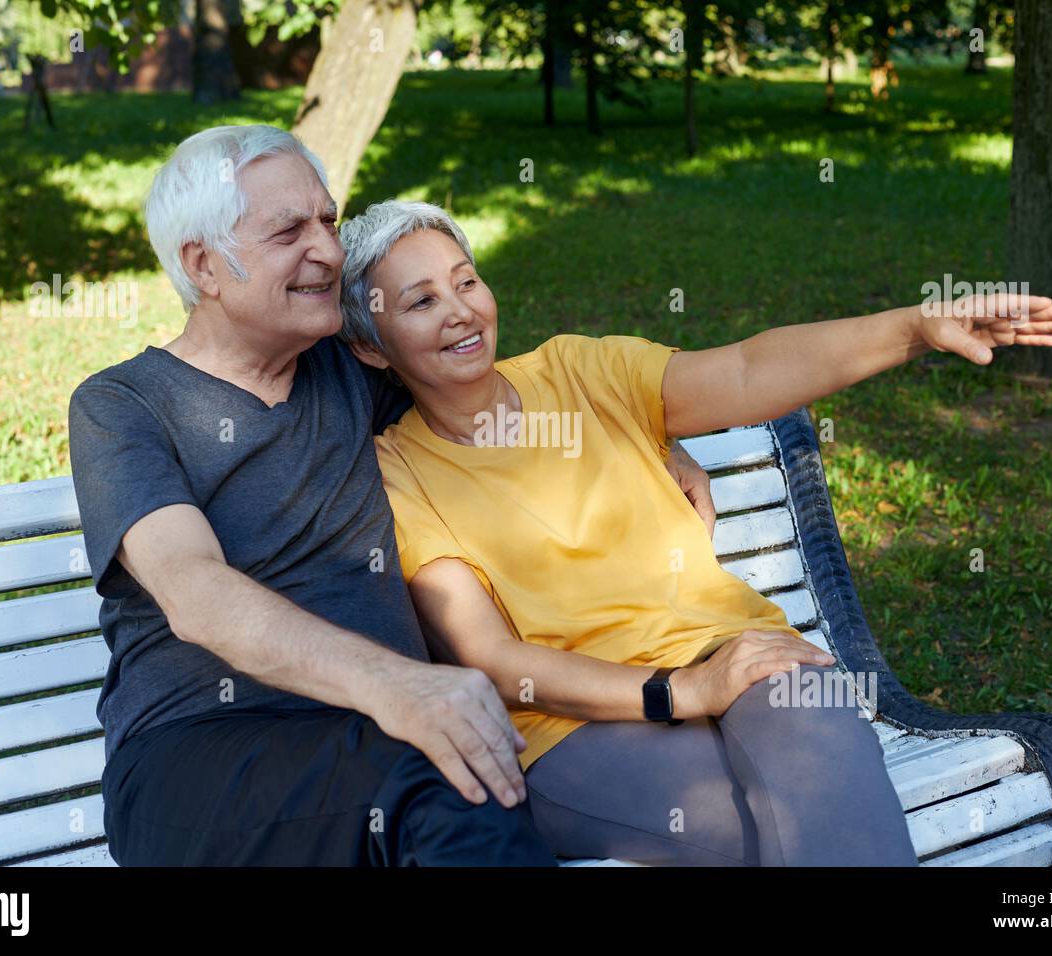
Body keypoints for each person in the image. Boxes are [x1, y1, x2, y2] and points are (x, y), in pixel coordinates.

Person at [337, 199, 1052, 866]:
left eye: (466, 282)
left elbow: (750, 371)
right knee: (782, 831)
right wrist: (681, 691)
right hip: (573, 731)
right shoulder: (399, 474)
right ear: (373, 348)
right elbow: (493, 658)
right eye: (421, 301)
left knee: (818, 778)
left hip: (739, 655)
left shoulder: (581, 371)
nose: (460, 311)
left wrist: (913, 329)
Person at [65, 125, 716, 866]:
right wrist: (400, 686)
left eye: (329, 221)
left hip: (379, 745)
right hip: (200, 757)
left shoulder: (352, 372)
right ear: (203, 264)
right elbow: (195, 592)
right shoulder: (124, 405)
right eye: (290, 231)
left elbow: (497, 394)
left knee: (459, 781)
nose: (330, 251)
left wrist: (653, 438)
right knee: (449, 787)